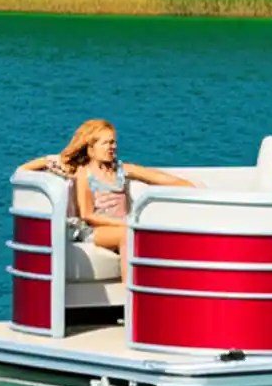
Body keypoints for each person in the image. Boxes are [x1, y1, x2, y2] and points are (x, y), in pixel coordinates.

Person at [69, 119, 195, 281]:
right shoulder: (84, 173)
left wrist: (187, 187)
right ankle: (131, 295)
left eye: (113, 142)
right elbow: (87, 215)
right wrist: (125, 223)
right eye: (106, 143)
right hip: (96, 230)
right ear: (91, 148)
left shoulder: (122, 170)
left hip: (124, 224)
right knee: (127, 235)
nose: (112, 147)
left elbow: (156, 177)